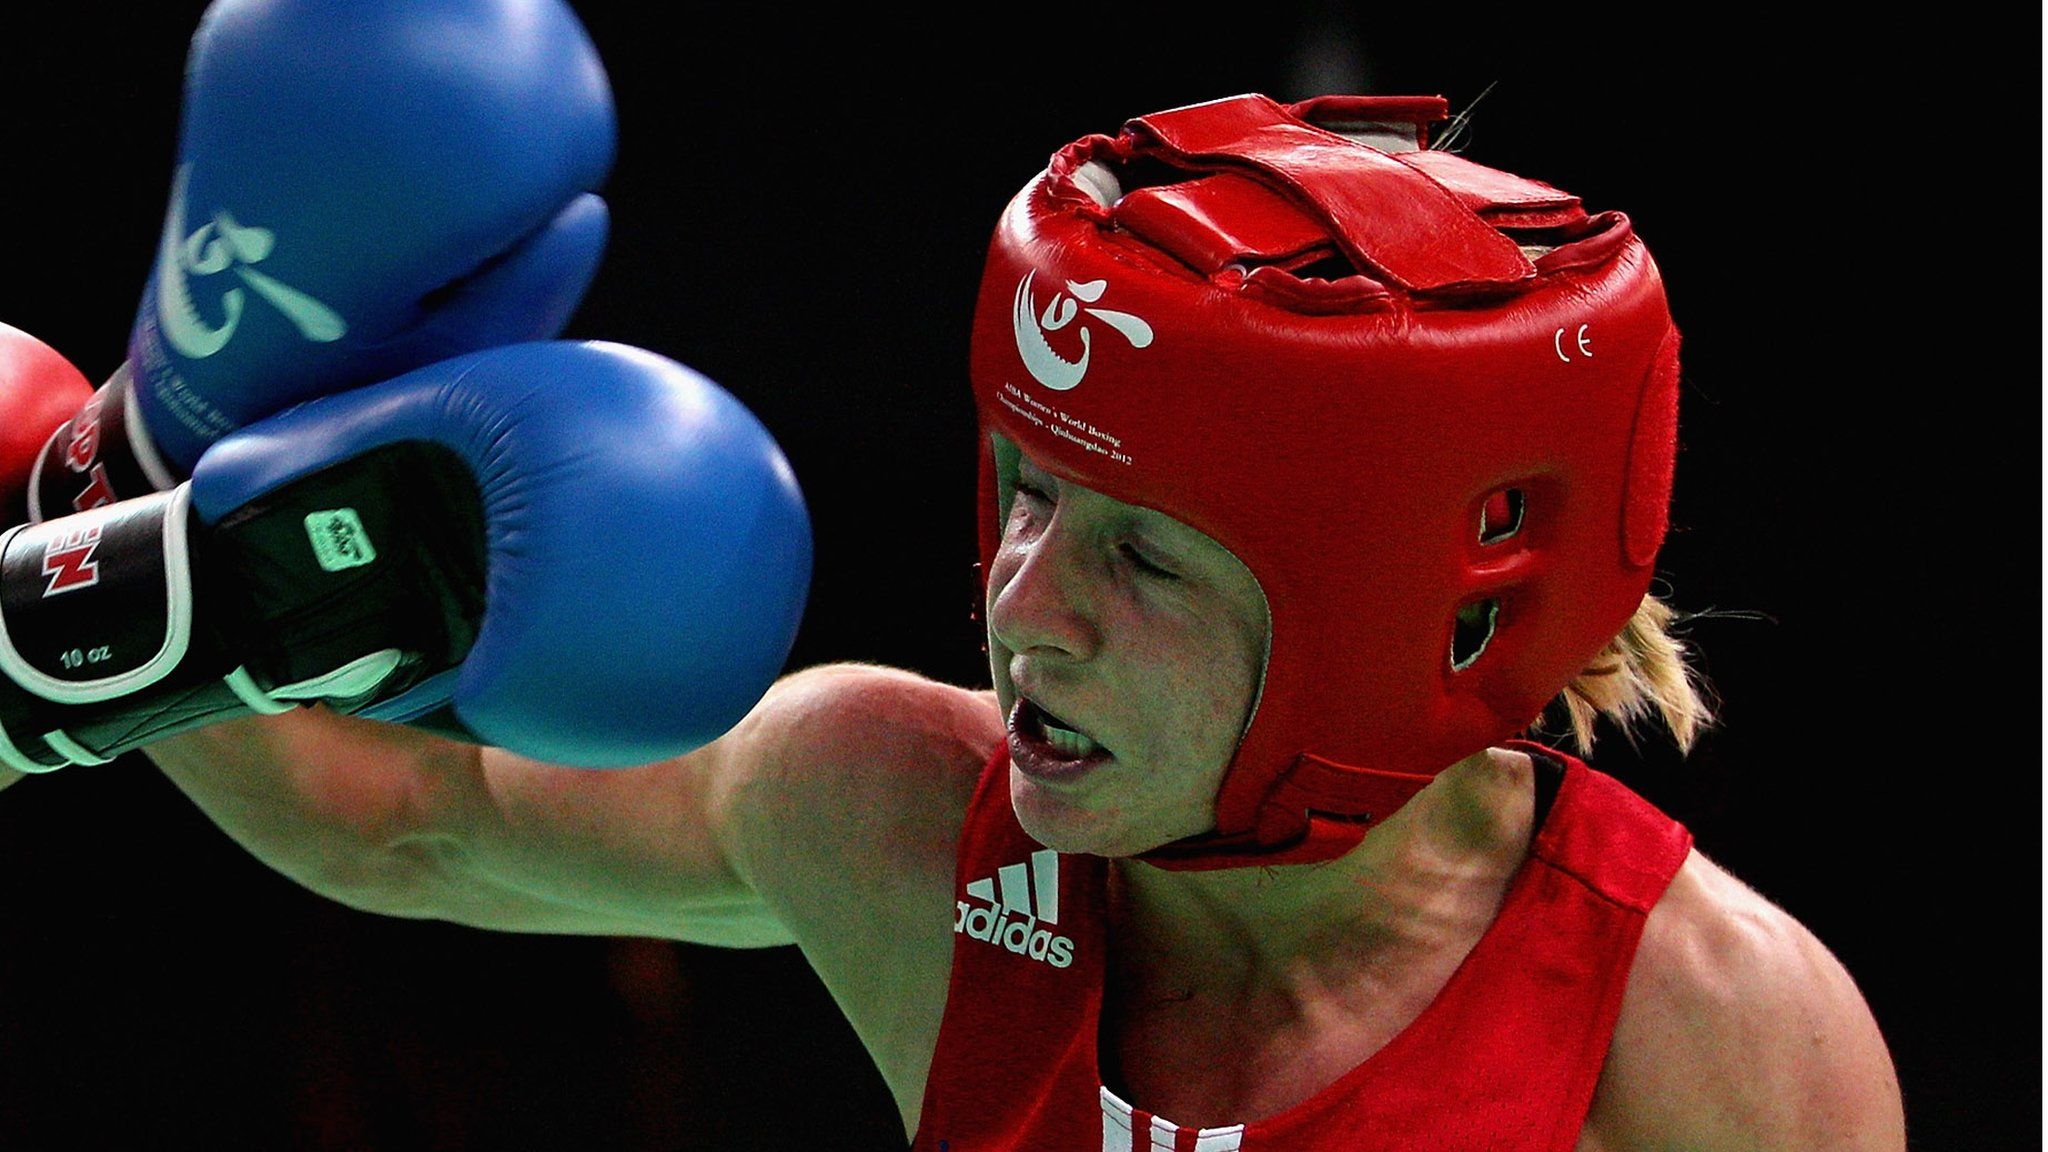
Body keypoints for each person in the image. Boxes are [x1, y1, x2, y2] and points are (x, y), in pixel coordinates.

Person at [0, 7, 1907, 1145]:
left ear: (1411, 622)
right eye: (1024, 494)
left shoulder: (1708, 1042)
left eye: (1144, 555)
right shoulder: (908, 818)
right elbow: (394, 828)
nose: (1024, 602)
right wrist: (125, 487)